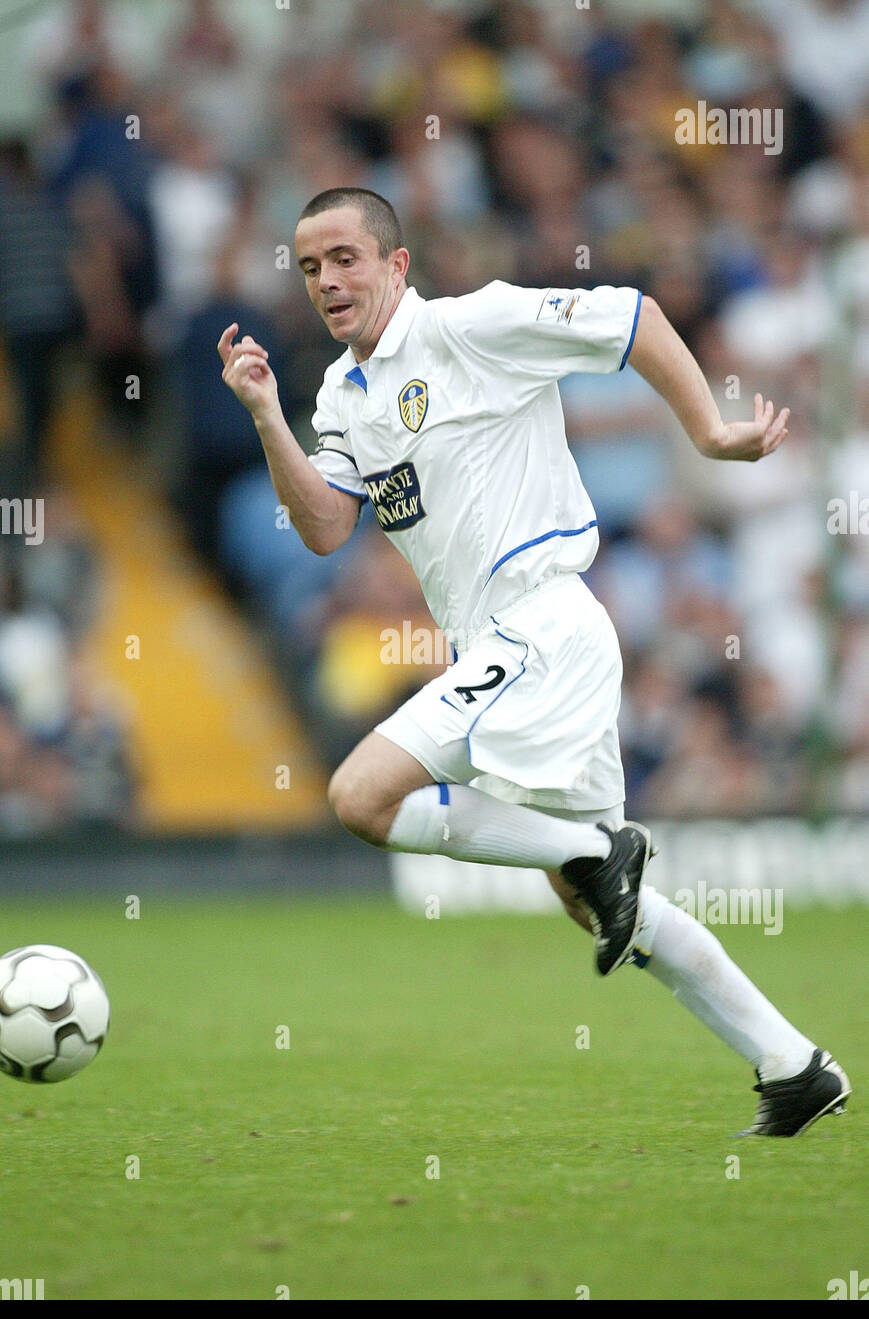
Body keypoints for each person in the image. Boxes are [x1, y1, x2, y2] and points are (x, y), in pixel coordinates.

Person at [218, 186, 849, 1138]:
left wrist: (711, 433)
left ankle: (598, 853)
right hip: (502, 644)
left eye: (344, 257)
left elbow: (634, 316)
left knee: (361, 797)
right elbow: (323, 527)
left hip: (544, 622)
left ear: (395, 264)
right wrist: (266, 413)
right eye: (309, 267)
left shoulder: (478, 325)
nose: (326, 281)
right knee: (598, 910)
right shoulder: (341, 395)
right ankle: (793, 1065)